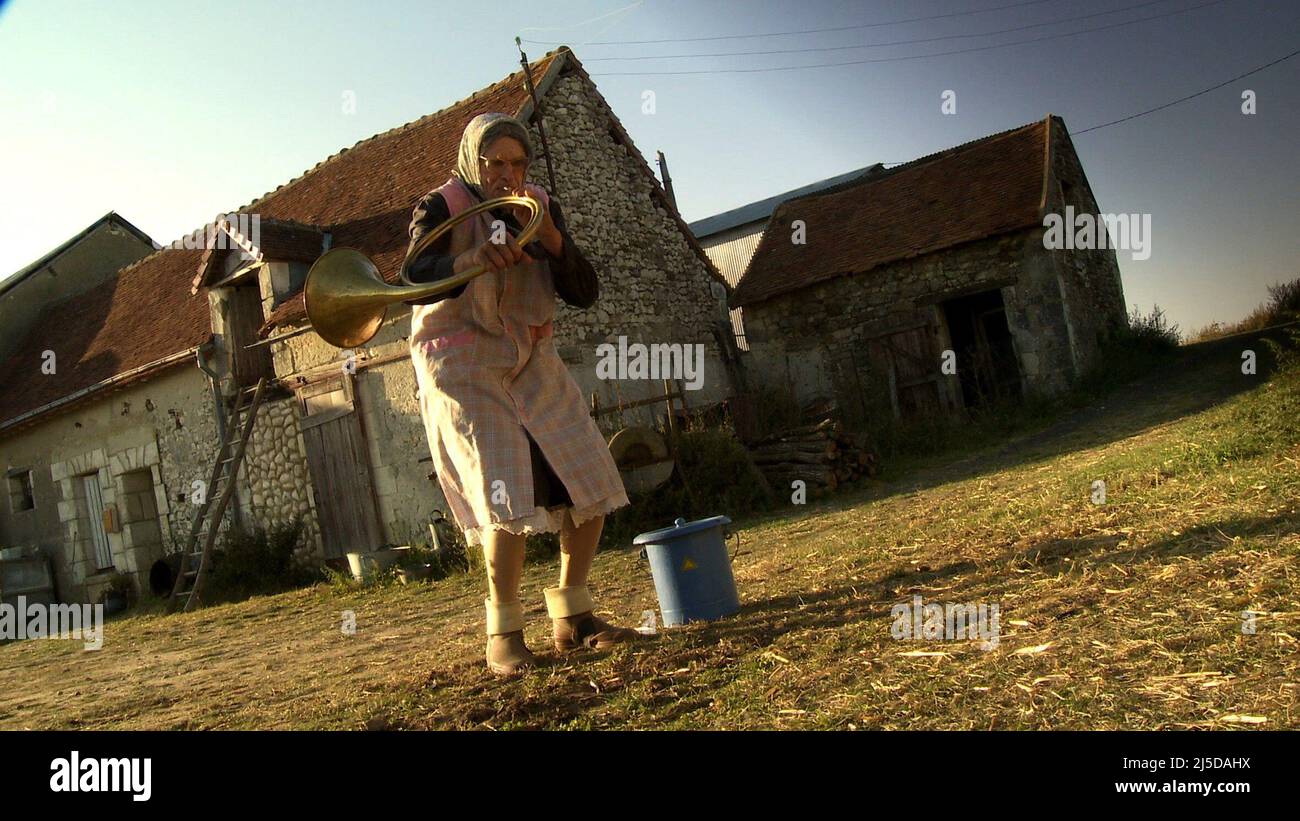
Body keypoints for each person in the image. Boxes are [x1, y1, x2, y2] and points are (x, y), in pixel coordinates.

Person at [405, 112, 643, 677]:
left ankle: (574, 616)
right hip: (462, 360)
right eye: (495, 164)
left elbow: (584, 291)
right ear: (473, 162)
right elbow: (413, 273)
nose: (507, 175)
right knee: (505, 493)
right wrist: (468, 259)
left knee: (591, 476)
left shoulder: (538, 206)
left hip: (531, 355)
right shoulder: (438, 206)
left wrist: (554, 241)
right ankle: (504, 634)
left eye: (518, 163)